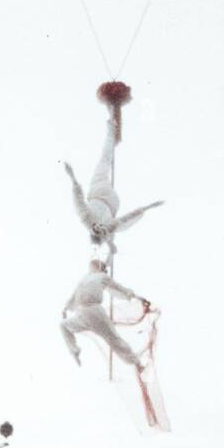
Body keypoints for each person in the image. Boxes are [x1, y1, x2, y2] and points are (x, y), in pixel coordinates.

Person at [63, 107, 163, 257]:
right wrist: (147, 207)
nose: (98, 227)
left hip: (108, 199)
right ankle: (111, 129)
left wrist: (72, 177)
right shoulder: (95, 223)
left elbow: (79, 197)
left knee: (105, 161)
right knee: (104, 160)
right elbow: (79, 199)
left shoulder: (100, 225)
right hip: (100, 192)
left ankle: (111, 129)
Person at [60, 260, 155, 371]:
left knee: (114, 339)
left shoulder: (101, 277)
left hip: (95, 313)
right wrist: (66, 308)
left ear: (98, 267)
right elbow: (74, 295)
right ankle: (75, 351)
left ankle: (136, 363)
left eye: (94, 265)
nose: (91, 267)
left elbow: (119, 289)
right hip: (81, 314)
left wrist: (137, 297)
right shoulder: (85, 278)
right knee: (63, 325)